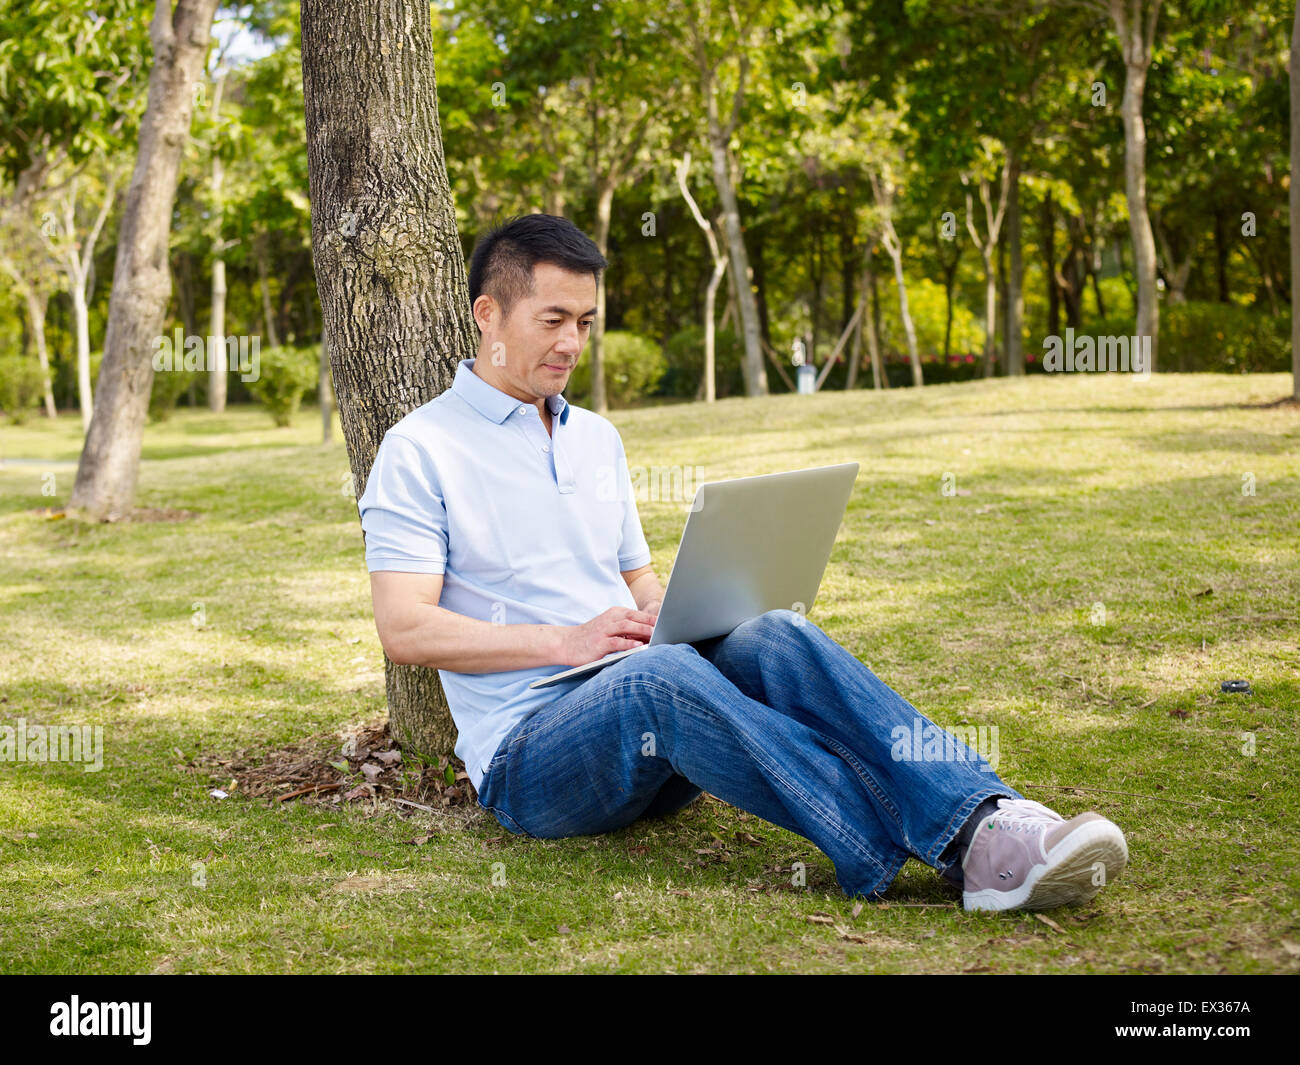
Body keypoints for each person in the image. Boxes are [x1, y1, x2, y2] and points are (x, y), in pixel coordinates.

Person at [356, 213, 1128, 911]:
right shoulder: (423, 448)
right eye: (552, 319)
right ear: (486, 314)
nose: (572, 343)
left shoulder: (596, 438)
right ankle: (969, 853)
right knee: (658, 678)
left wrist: (676, 612)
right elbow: (405, 629)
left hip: (657, 730)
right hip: (533, 758)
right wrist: (565, 641)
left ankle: (990, 816)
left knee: (773, 634)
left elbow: (637, 579)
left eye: (587, 322)